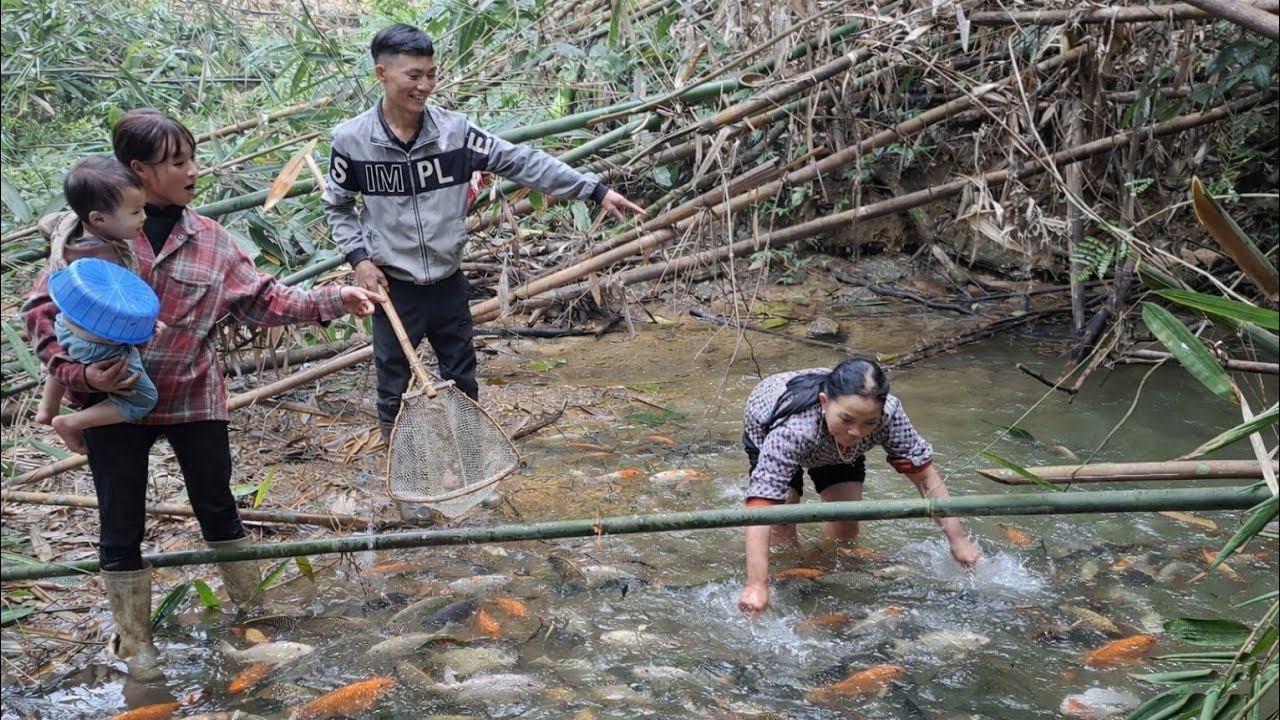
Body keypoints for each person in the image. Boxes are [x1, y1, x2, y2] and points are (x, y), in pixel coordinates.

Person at [21, 109, 384, 680]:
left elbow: (263, 300)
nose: (193, 170)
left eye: (192, 157)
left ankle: (250, 614)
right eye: (177, 161)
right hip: (112, 403)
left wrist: (335, 298)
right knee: (121, 521)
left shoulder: (210, 238)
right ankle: (136, 644)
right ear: (138, 169)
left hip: (193, 394)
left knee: (217, 505)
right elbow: (44, 313)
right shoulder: (92, 238)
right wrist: (83, 378)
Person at [322, 23, 645, 446]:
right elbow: (338, 206)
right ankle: (403, 478)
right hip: (393, 288)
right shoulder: (351, 142)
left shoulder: (456, 133)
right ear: (382, 74)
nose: (424, 86)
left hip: (448, 282)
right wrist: (360, 260)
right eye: (413, 76)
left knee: (462, 380)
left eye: (431, 75)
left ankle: (472, 462)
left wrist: (593, 189)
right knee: (393, 389)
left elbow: (522, 161)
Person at [737, 358, 982, 615]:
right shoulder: (793, 431)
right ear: (824, 403)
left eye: (869, 423)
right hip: (768, 422)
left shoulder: (889, 415)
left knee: (847, 524)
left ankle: (822, 577)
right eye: (847, 419)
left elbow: (926, 477)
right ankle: (786, 584)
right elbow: (762, 508)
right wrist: (756, 584)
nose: (856, 432)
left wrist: (958, 540)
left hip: (836, 449)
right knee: (782, 528)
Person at [35, 158, 163, 454]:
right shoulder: (104, 258)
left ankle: (47, 406)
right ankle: (72, 423)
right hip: (98, 343)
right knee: (143, 399)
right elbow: (117, 315)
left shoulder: (68, 227)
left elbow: (48, 222)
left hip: (65, 325)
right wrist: (149, 328)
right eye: (135, 212)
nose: (144, 217)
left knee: (65, 348)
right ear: (99, 219)